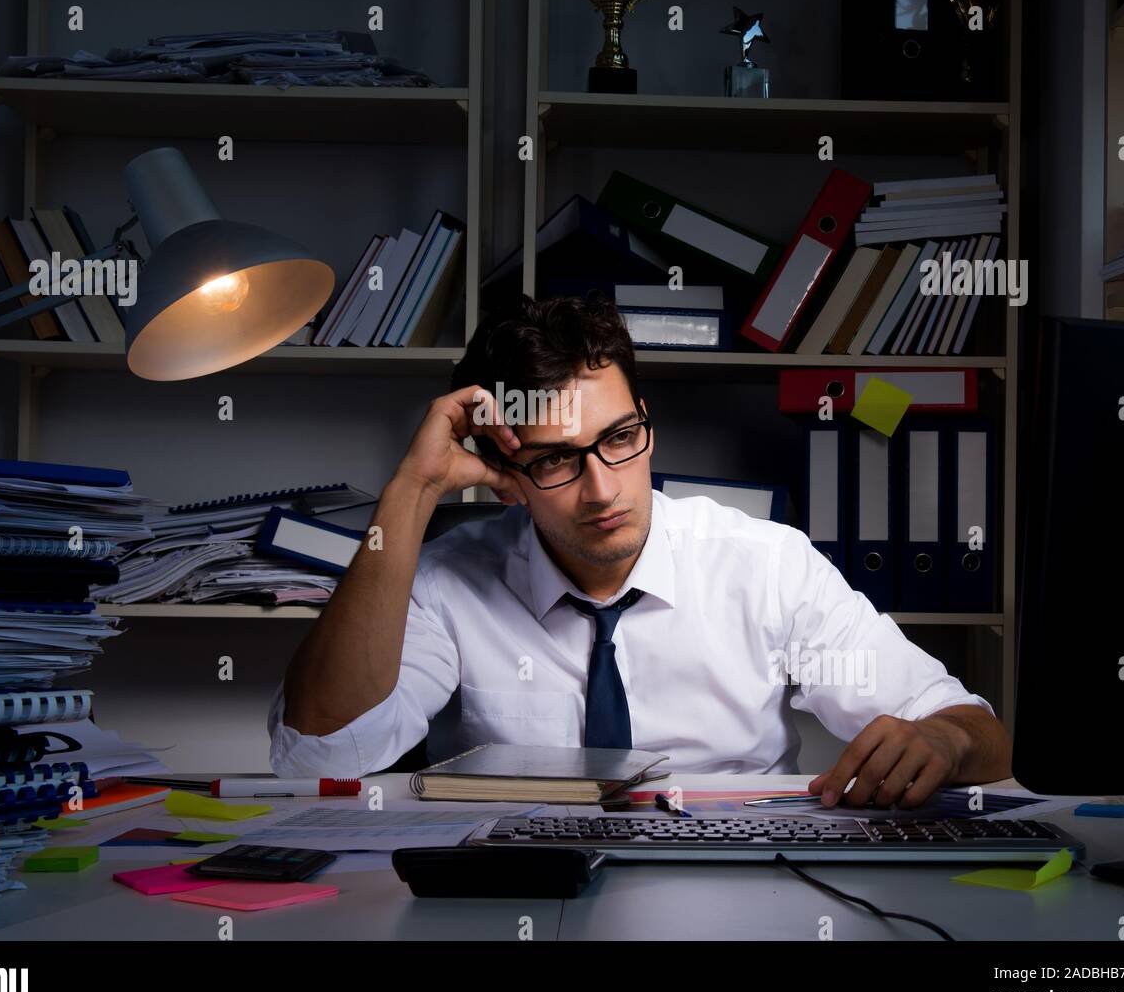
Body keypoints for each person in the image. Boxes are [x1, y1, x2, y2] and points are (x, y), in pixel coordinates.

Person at [271, 293, 1011, 806]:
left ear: (644, 423)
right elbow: (321, 752)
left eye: (620, 439)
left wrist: (942, 742)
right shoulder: (451, 580)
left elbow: (981, 735)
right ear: (506, 476)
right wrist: (411, 489)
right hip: (525, 896)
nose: (602, 489)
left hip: (739, 893)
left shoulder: (766, 566)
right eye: (558, 460)